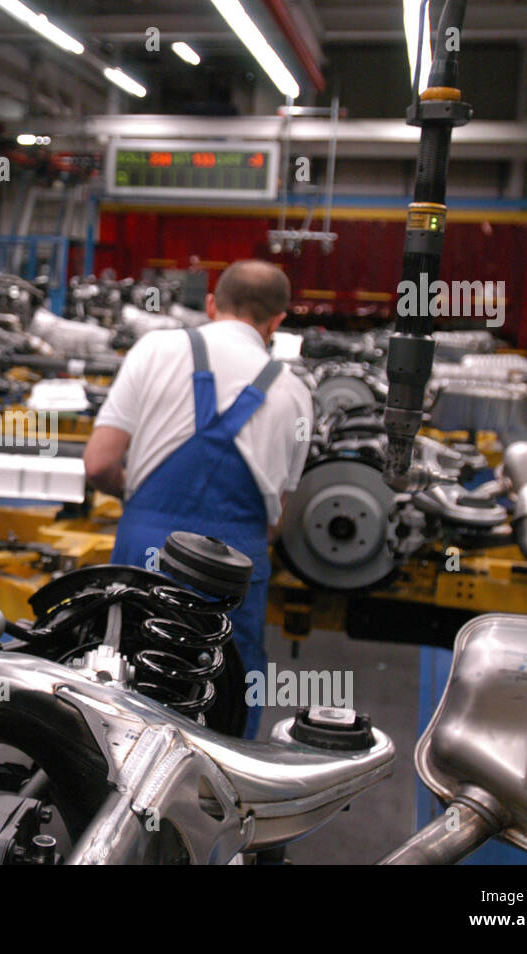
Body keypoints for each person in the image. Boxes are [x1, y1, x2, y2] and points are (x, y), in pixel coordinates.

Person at [83, 260, 311, 739]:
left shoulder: (155, 349)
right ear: (277, 321)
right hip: (236, 564)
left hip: (146, 547)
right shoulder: (294, 392)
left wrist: (148, 501)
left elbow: (99, 464)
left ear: (211, 304)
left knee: (123, 688)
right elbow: (277, 522)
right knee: (225, 702)